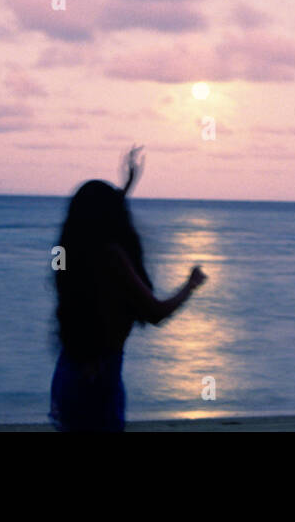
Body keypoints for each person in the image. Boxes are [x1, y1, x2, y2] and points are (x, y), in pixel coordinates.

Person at [49, 146, 207, 431]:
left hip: (70, 374)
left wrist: (128, 184)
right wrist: (190, 285)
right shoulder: (111, 256)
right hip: (99, 379)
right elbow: (156, 312)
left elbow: (94, 216)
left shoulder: (66, 255)